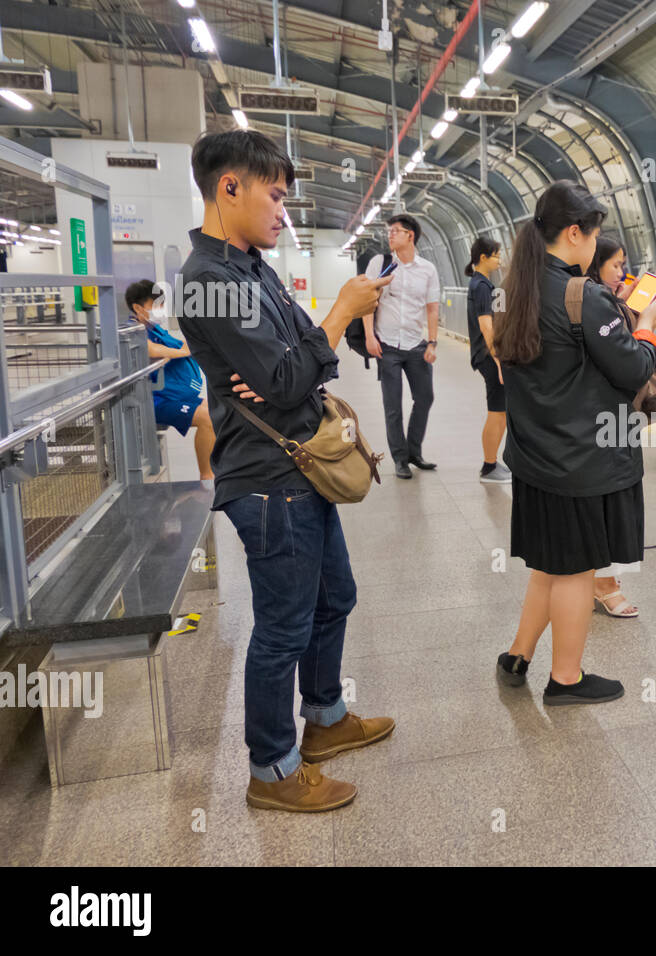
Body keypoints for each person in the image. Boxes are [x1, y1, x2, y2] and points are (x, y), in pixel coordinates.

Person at [177, 129, 395, 812]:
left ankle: (325, 719)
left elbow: (295, 360)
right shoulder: (209, 281)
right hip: (268, 480)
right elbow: (286, 373)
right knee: (281, 628)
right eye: (274, 196)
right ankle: (271, 770)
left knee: (336, 598)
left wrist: (293, 363)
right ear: (228, 188)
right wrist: (340, 316)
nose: (282, 211)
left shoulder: (253, 269)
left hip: (301, 468)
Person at [493, 181, 656, 704]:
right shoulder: (582, 295)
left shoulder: (516, 288)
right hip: (579, 460)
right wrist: (649, 325)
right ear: (574, 233)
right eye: (595, 235)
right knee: (574, 571)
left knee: (551, 563)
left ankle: (518, 656)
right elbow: (633, 366)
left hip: (537, 455)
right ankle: (566, 679)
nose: (597, 246)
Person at [584, 235, 656, 619]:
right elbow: (632, 363)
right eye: (615, 265)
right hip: (607, 420)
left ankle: (598, 580)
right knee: (611, 499)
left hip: (610, 421)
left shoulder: (602, 301)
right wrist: (646, 323)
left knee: (612, 497)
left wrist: (631, 306)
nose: (622, 272)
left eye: (623, 265)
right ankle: (603, 584)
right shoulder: (594, 304)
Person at [362, 213, 440, 479]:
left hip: (416, 345)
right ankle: (399, 458)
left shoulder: (428, 269)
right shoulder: (380, 263)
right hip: (388, 346)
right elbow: (367, 302)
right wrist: (369, 338)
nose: (390, 235)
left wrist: (432, 342)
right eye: (389, 231)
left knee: (425, 397)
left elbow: (432, 308)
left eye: (396, 231)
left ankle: (414, 451)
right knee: (393, 405)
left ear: (411, 235)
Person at [123, 278, 215, 484]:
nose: (161, 310)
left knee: (218, 411)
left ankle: (214, 470)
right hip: (154, 400)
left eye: (163, 305)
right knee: (207, 418)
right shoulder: (131, 330)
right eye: (156, 305)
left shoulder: (153, 329)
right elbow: (151, 350)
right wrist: (179, 352)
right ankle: (206, 476)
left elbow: (177, 345)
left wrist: (181, 350)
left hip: (170, 393)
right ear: (138, 307)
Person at [465, 236, 511, 484]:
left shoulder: (483, 284)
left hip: (486, 355)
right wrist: (498, 360)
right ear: (483, 258)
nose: (499, 260)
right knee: (497, 412)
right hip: (488, 356)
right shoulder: (481, 286)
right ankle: (489, 465)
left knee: (500, 411)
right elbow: (486, 325)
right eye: (496, 255)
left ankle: (492, 462)